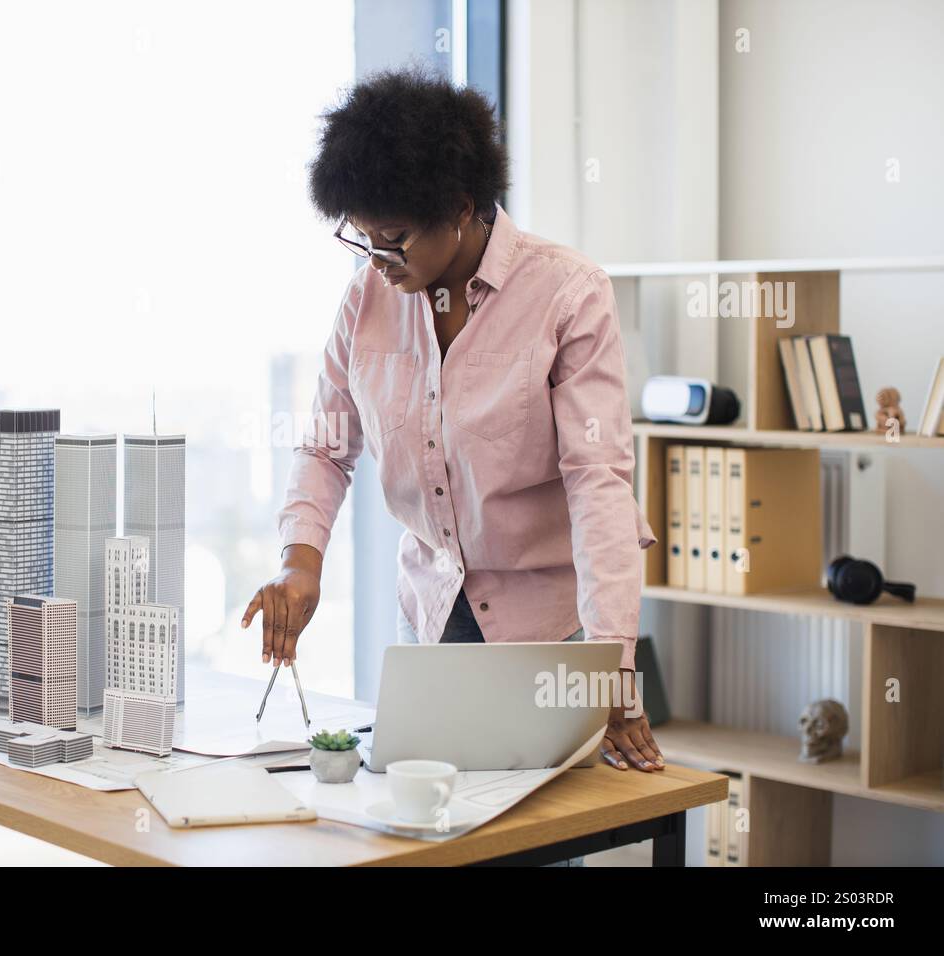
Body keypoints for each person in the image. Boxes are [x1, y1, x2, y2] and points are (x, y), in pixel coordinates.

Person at [241, 67, 663, 784]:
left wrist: (613, 664)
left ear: (461, 209)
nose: (378, 261)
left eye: (396, 240)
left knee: (536, 832)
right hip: (433, 609)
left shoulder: (567, 294)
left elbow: (598, 484)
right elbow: (325, 445)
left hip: (551, 630)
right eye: (363, 239)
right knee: (427, 824)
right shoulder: (367, 298)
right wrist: (299, 563)